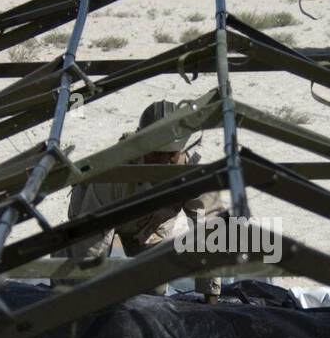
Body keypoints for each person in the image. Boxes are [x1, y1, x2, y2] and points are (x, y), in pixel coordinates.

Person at [54, 100, 224, 303]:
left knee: (155, 290)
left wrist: (211, 295)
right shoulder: (116, 173)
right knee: (72, 279)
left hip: (147, 229)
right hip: (96, 217)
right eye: (156, 153)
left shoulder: (191, 174)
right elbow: (92, 243)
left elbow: (212, 230)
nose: (162, 162)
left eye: (170, 154)